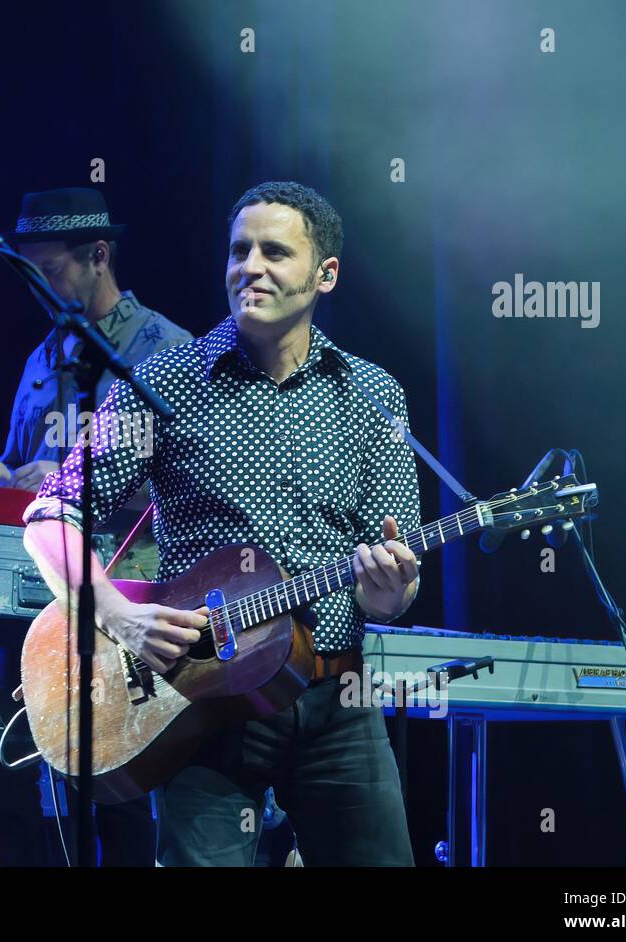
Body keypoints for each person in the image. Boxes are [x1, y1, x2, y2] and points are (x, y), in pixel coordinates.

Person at [22, 181, 421, 866]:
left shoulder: (373, 393)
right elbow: (50, 516)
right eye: (240, 251)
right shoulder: (164, 381)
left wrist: (389, 592)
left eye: (275, 252)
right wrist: (119, 615)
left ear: (325, 273)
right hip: (202, 708)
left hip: (336, 701)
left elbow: (392, 588)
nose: (251, 267)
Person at [0, 187, 191, 865]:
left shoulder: (165, 350)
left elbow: (187, 481)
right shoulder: (38, 361)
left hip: (133, 592)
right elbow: (29, 481)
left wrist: (60, 473)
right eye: (28, 273)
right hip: (38, 594)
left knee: (116, 776)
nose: (39, 288)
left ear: (98, 257)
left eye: (50, 271)